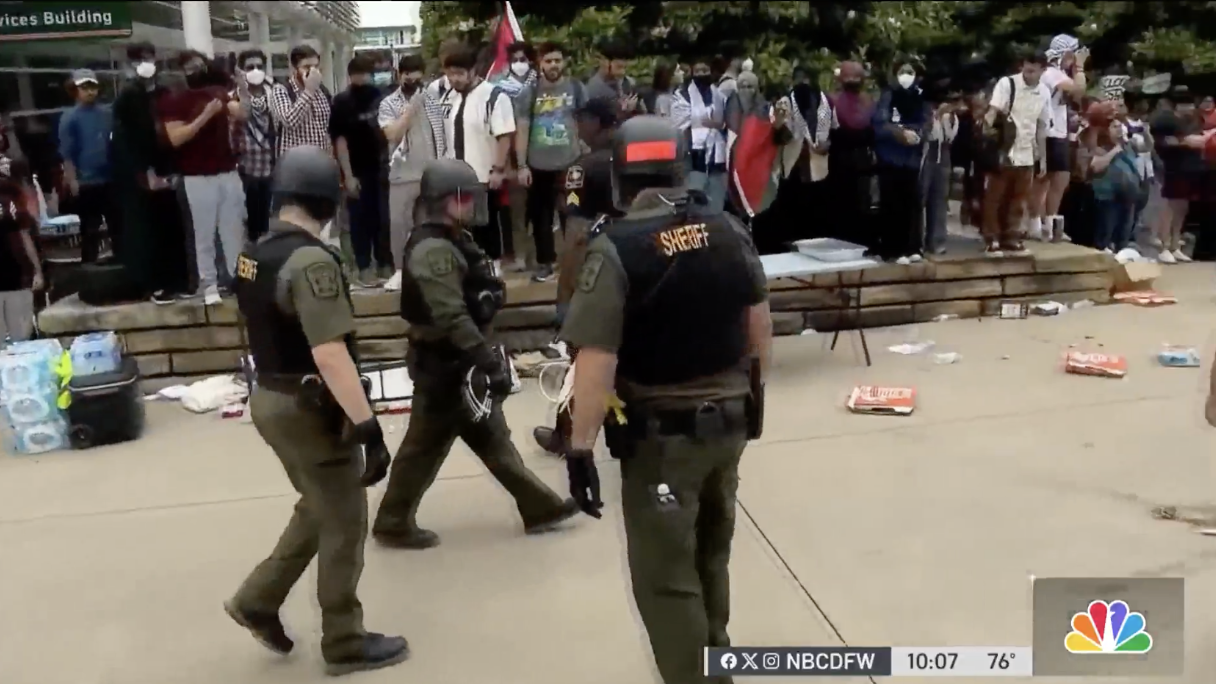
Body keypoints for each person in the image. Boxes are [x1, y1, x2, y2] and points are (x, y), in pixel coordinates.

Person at [558, 115, 772, 684]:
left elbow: (595, 358)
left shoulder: (618, 248)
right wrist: (756, 394)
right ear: (679, 167)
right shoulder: (729, 229)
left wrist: (579, 449)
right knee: (709, 556)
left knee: (665, 577)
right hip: (728, 423)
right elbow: (759, 323)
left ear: (621, 179)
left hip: (662, 439)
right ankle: (715, 662)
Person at [224, 146, 408, 676]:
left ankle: (258, 599)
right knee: (345, 522)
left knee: (318, 504)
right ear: (329, 202)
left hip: (269, 397)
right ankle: (344, 639)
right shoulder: (310, 262)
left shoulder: (254, 252)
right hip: (308, 406)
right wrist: (368, 427)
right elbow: (330, 353)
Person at [371, 158, 579, 549]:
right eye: (464, 197)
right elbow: (451, 314)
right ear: (446, 201)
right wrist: (486, 360)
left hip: (455, 362)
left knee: (479, 439)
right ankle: (393, 520)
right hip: (447, 363)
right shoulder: (435, 249)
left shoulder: (452, 239)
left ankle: (538, 507)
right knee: (434, 446)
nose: (471, 205)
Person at [533, 98, 620, 455]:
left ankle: (567, 434)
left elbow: (576, 234)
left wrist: (566, 292)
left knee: (583, 360)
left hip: (597, 274)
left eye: (581, 120)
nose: (577, 127)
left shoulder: (582, 169)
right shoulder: (634, 159)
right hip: (640, 266)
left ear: (596, 122)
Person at [159, 50, 248, 305]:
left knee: (234, 232)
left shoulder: (216, 91)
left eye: (198, 65)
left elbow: (242, 113)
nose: (195, 70)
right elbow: (177, 138)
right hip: (197, 176)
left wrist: (241, 85)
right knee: (204, 233)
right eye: (189, 67)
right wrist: (205, 116)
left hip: (228, 171)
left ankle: (240, 280)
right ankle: (208, 284)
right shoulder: (172, 101)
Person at [110, 42, 190, 303]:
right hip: (142, 174)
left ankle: (176, 281)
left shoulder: (162, 93)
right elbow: (132, 139)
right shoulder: (129, 96)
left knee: (171, 226)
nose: (146, 64)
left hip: (165, 168)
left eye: (149, 59)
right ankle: (154, 284)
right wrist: (146, 172)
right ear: (131, 64)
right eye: (140, 60)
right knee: (147, 229)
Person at [515, 41, 588, 283]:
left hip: (571, 163)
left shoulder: (576, 87)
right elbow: (523, 129)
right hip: (538, 165)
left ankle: (574, 263)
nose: (553, 65)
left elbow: (584, 122)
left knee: (573, 213)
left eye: (557, 60)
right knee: (541, 217)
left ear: (564, 62)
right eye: (548, 61)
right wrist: (522, 164)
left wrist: (585, 151)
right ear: (540, 63)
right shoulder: (530, 92)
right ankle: (545, 263)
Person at [380, 54, 446, 286]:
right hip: (402, 174)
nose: (412, 78)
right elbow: (392, 134)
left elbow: (442, 134)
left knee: (429, 225)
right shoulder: (388, 103)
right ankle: (399, 271)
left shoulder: (434, 99)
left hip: (431, 173)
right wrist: (410, 109)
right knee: (399, 225)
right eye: (407, 73)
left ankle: (430, 271)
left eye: (416, 73)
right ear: (400, 75)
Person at [981, 51, 1052, 257]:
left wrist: (1043, 158)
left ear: (1042, 71)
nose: (1028, 74)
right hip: (1005, 147)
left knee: (1019, 197)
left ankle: (1011, 237)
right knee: (996, 195)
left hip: (1027, 151)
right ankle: (992, 237)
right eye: (1026, 69)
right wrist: (986, 128)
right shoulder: (1007, 84)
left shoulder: (1044, 92)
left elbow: (1041, 126)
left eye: (1033, 71)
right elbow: (994, 110)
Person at [331, 54, 393, 286]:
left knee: (384, 220)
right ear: (350, 75)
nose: (363, 77)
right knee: (359, 221)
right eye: (359, 73)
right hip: (357, 170)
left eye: (367, 73)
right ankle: (364, 267)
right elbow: (340, 140)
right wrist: (347, 175)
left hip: (383, 167)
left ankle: (386, 264)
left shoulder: (382, 97)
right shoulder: (341, 102)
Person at [1028, 35, 1088, 242]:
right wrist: (1080, 68)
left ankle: (1051, 222)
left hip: (1060, 131)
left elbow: (1078, 95)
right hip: (1047, 131)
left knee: (1060, 179)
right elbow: (1078, 89)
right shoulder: (1051, 73)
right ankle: (1035, 223)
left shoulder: (1060, 73)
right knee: (1043, 179)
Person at [872, 61, 930, 262]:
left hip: (912, 158)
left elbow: (926, 121)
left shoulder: (919, 96)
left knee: (912, 202)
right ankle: (892, 249)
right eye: (902, 71)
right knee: (891, 202)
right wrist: (899, 133)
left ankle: (912, 247)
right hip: (890, 157)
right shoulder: (888, 95)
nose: (906, 75)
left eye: (910, 72)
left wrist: (918, 134)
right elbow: (880, 124)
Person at [58, 68, 116, 264]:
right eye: (84, 87)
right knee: (90, 228)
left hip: (110, 178)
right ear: (75, 89)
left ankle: (122, 266)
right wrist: (72, 179)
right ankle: (89, 269)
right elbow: (67, 152)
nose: (90, 92)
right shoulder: (69, 117)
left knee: (117, 225)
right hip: (86, 181)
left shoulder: (107, 113)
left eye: (92, 87)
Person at [672, 57, 730, 213]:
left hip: (717, 157)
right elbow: (678, 125)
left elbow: (727, 122)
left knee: (716, 201)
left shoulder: (719, 95)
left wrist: (717, 125)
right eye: (698, 71)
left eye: (705, 71)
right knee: (695, 201)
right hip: (693, 155)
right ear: (692, 72)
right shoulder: (682, 95)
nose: (702, 74)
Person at [234, 49, 277, 243]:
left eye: (259, 66)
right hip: (244, 170)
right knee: (248, 228)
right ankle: (250, 271)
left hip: (273, 167)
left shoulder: (276, 94)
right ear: (241, 70)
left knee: (272, 225)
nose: (255, 70)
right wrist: (242, 89)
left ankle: (269, 268)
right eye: (250, 67)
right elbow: (241, 116)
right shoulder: (232, 98)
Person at [0, 156, 43, 341]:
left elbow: (24, 234)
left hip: (16, 273)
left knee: (22, 339)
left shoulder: (9, 191)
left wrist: (37, 271)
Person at [270, 45, 333, 155]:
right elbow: (289, 121)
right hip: (293, 162)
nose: (312, 71)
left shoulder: (323, 91)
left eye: (316, 67)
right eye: (307, 67)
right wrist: (309, 91)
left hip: (321, 159)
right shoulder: (281, 90)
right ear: (295, 69)